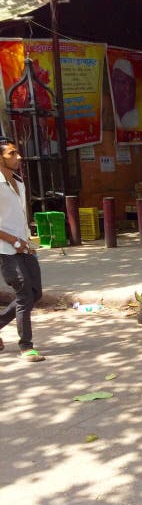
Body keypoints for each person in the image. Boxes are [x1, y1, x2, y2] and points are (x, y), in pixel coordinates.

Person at [0, 137, 45, 362]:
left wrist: (27, 242)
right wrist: (14, 242)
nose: (19, 157)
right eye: (11, 154)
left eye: (17, 152)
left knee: (36, 293)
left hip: (24, 246)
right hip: (6, 249)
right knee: (24, 293)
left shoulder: (18, 180)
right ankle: (26, 346)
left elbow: (19, 216)